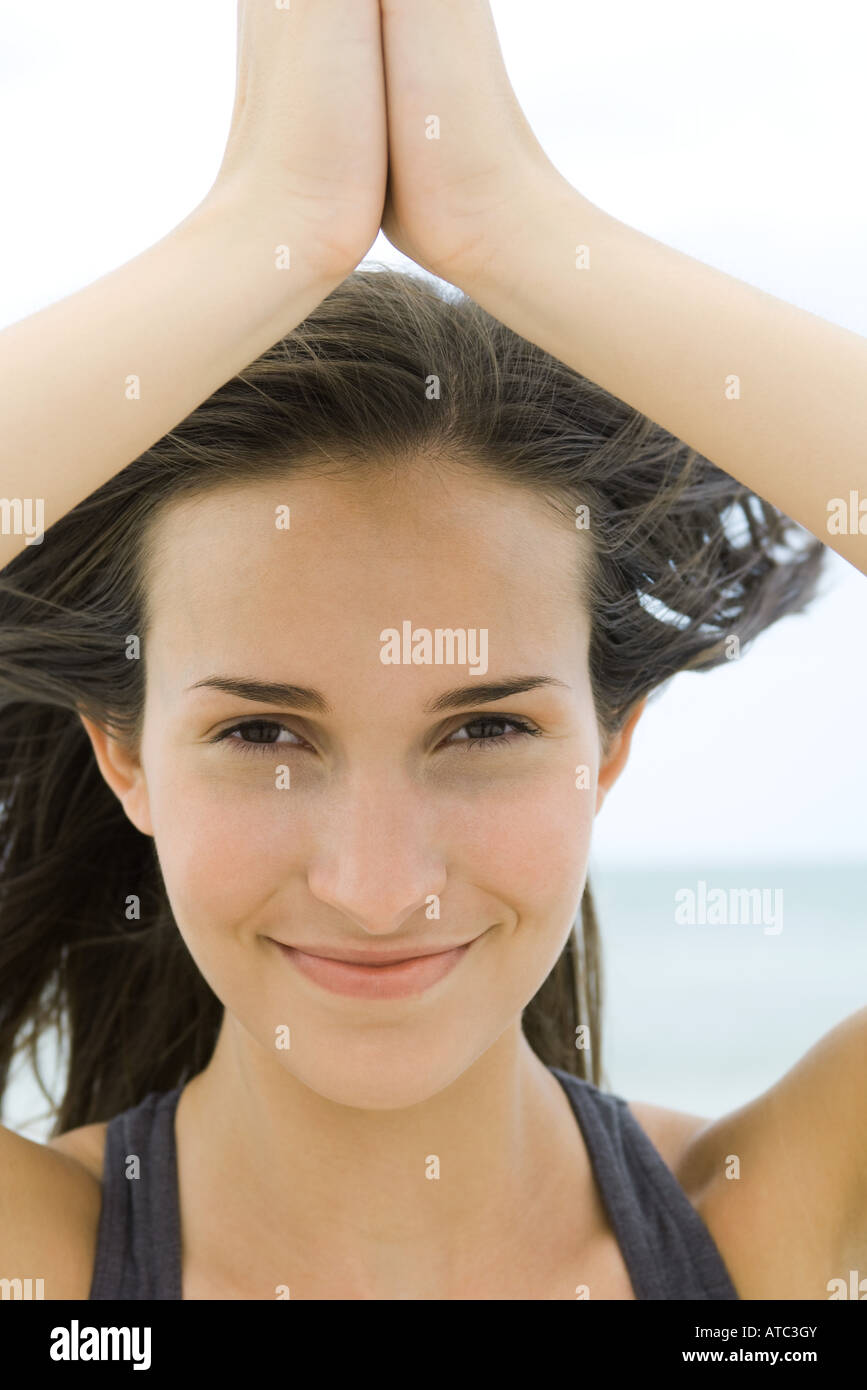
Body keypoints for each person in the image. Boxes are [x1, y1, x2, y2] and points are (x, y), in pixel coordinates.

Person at [0, 0, 864, 1301]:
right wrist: (266, 227)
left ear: (610, 738)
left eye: (485, 728)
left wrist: (514, 222)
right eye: (262, 731)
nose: (375, 882)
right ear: (122, 750)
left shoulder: (767, 1247)